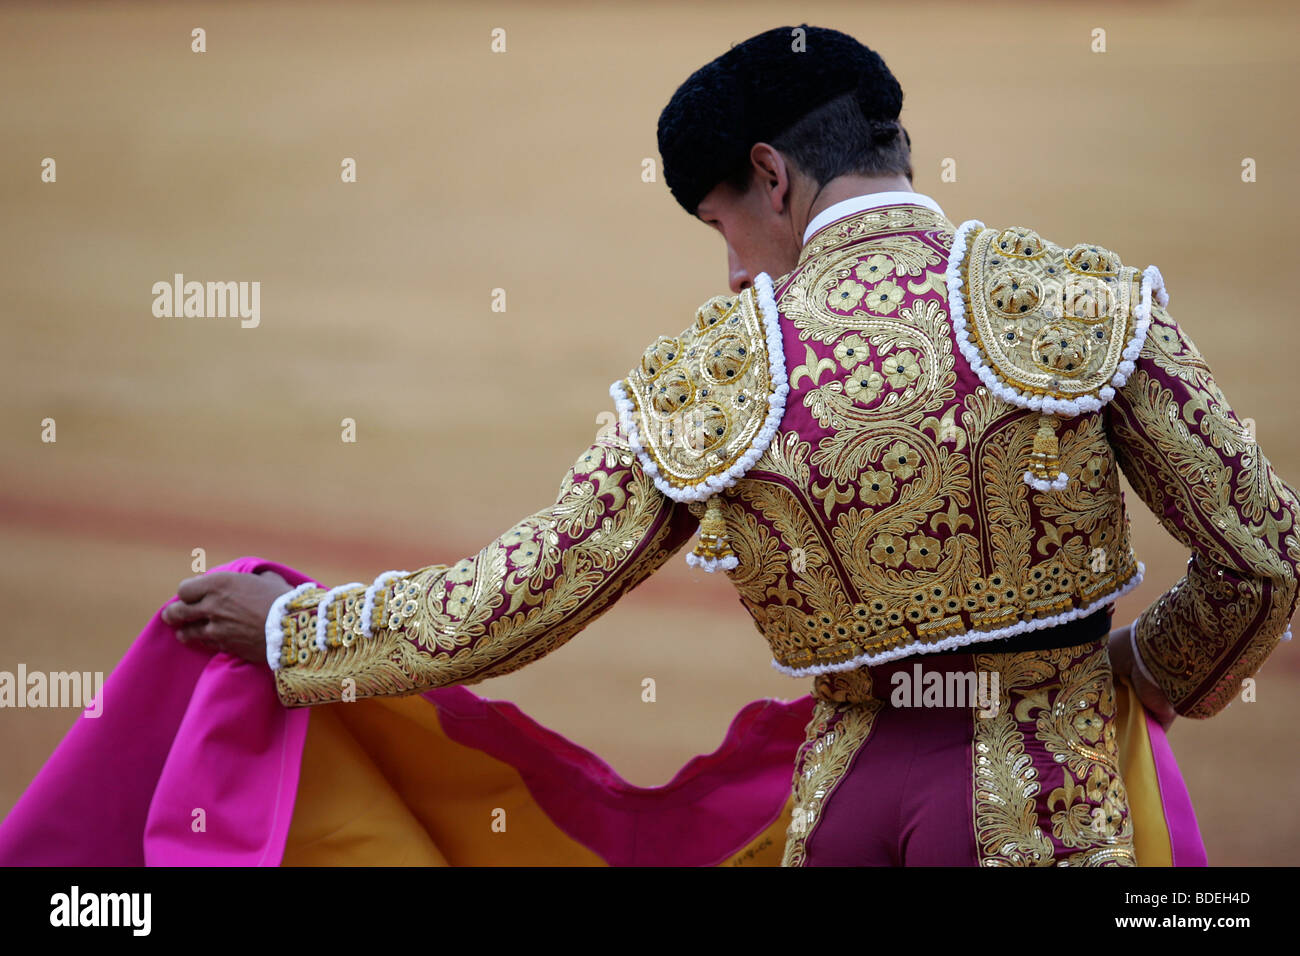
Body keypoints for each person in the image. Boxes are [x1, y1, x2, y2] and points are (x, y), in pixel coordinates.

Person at [159, 25, 1300, 866]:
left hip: (845, 810)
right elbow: (1261, 556)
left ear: (770, 174)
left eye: (721, 225)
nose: (737, 269)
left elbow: (524, 597)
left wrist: (302, 630)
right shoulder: (1076, 301)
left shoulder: (715, 372)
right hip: (1046, 805)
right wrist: (1141, 674)